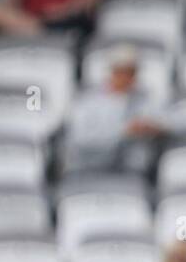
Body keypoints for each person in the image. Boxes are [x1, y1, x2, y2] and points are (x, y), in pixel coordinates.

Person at [63, 45, 171, 178]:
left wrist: (157, 127)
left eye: (131, 72)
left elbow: (174, 121)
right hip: (88, 170)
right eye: (122, 71)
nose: (127, 77)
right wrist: (123, 132)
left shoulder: (145, 98)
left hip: (133, 173)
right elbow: (80, 138)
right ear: (112, 72)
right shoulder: (88, 101)